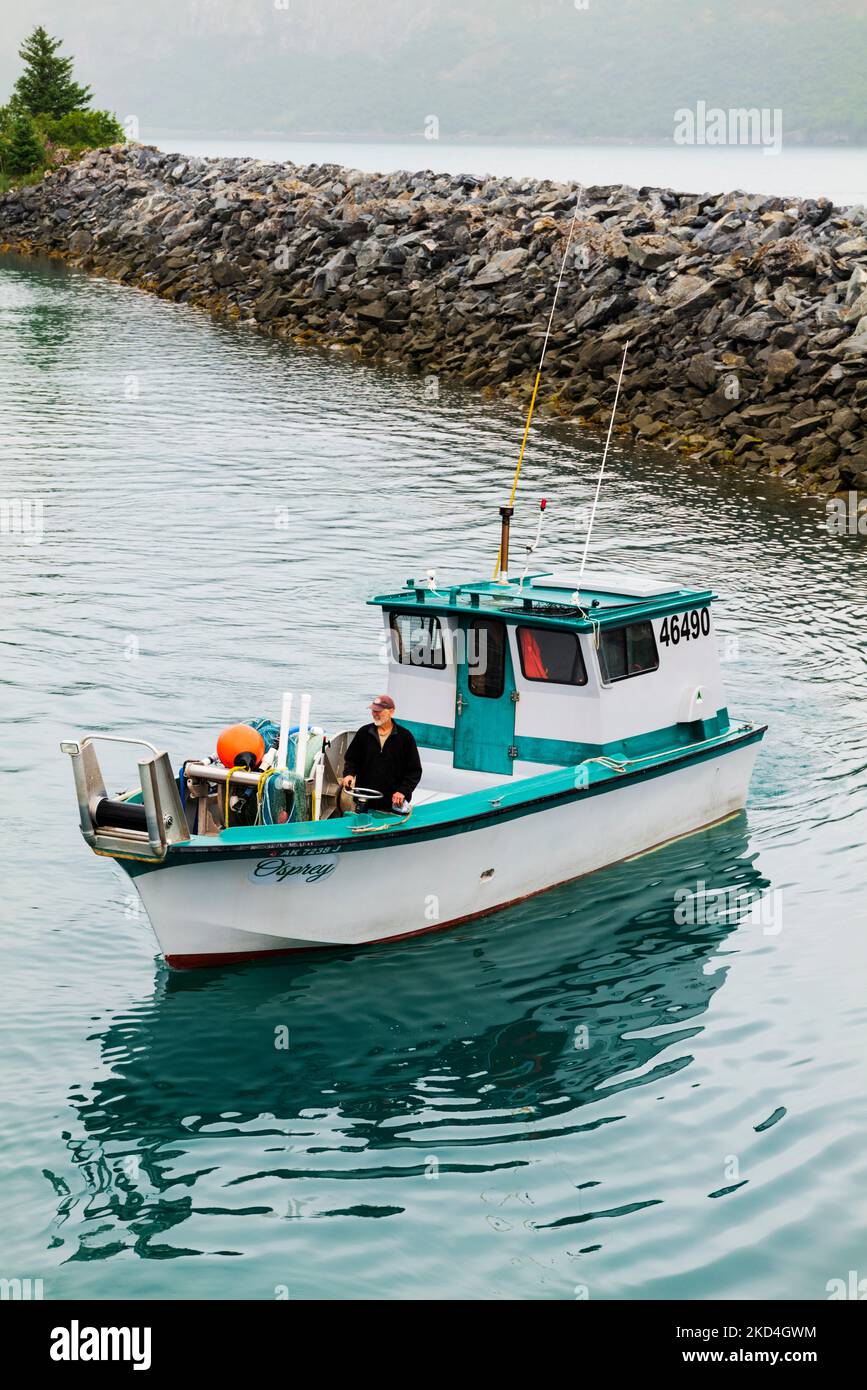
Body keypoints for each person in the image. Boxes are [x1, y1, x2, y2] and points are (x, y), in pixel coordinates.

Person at [341, 695, 422, 812]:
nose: (375, 714)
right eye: (373, 711)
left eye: (379, 711)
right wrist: (349, 774)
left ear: (391, 712)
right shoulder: (363, 733)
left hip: (393, 803)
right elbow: (351, 759)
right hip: (364, 800)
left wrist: (403, 791)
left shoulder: (405, 737)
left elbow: (414, 771)